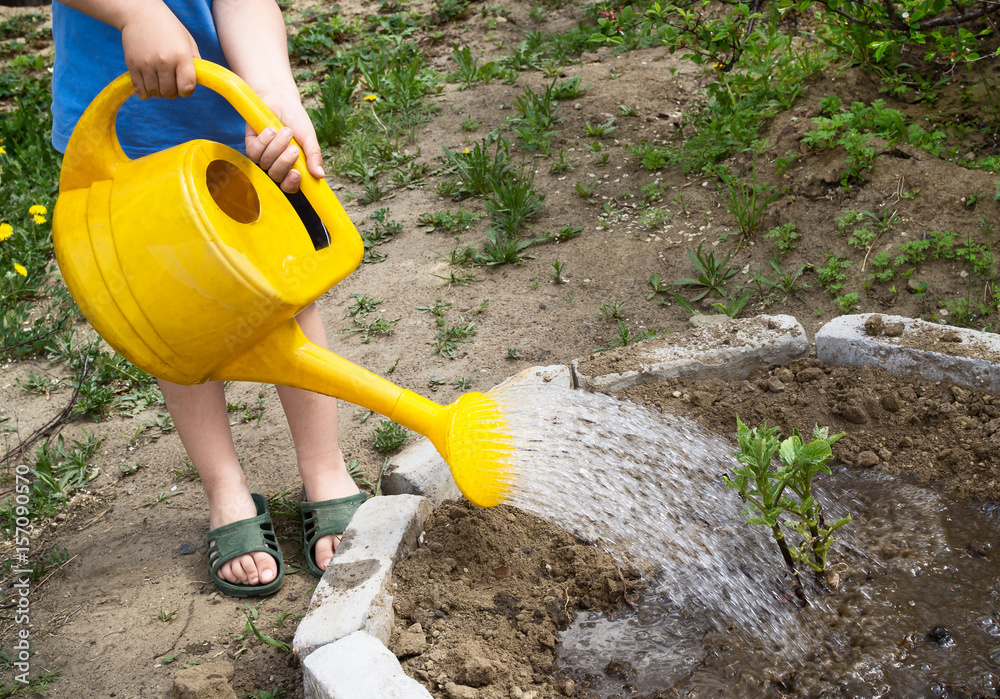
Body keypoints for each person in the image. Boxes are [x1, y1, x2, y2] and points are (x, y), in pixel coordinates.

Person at [51, 0, 365, 596]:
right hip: (124, 122)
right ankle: (226, 488)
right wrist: (133, 12)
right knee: (173, 305)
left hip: (228, 106)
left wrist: (270, 87)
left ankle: (325, 469)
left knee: (286, 284)